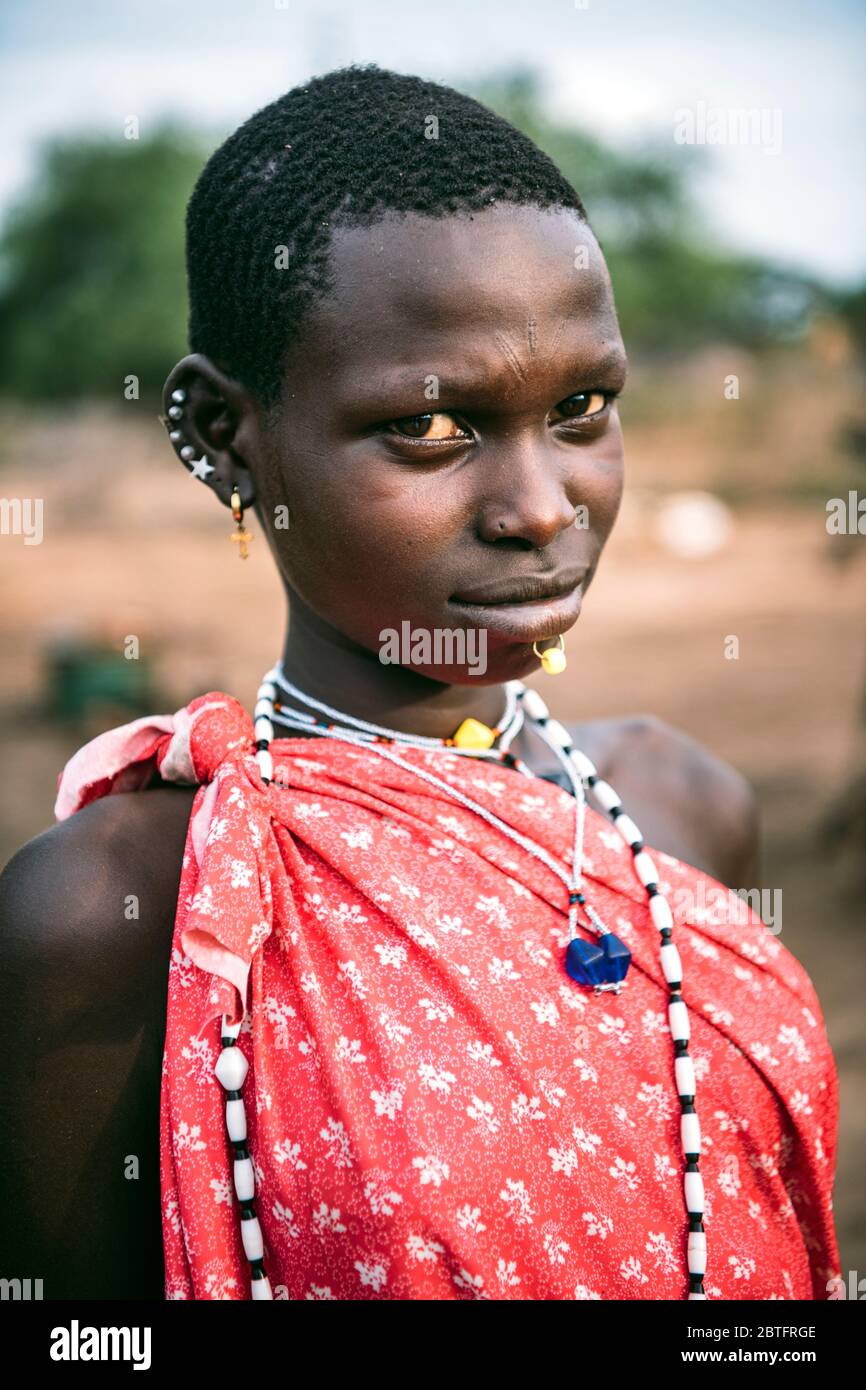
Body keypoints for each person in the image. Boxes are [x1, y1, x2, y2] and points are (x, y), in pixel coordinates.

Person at [0, 65, 840, 1301]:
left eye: (581, 408)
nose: (542, 507)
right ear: (225, 437)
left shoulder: (677, 814)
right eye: (431, 428)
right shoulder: (115, 918)